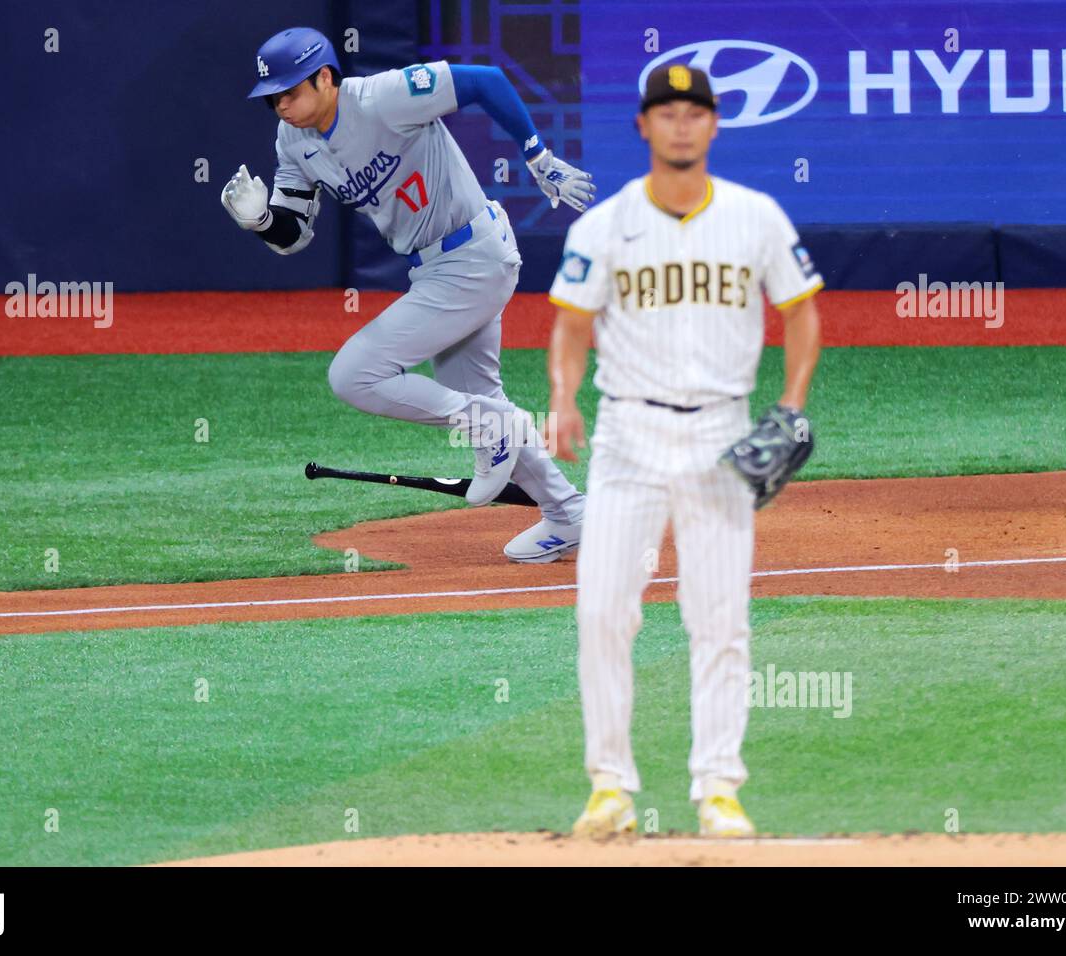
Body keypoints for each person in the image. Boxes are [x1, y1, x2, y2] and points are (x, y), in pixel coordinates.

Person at [545, 63, 823, 837]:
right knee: (603, 610)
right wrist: (564, 397)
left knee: (719, 616)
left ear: (713, 124)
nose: (679, 124)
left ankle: (719, 790)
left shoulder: (755, 216)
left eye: (693, 111)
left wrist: (792, 402)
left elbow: (802, 310)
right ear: (643, 126)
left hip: (720, 434)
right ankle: (609, 788)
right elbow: (569, 325)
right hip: (628, 434)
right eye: (665, 112)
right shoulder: (602, 226)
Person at [221, 26, 594, 562]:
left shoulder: (382, 97)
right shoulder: (293, 142)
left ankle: (493, 427)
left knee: (353, 375)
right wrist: (261, 220)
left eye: (290, 91)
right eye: (272, 98)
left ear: (325, 77)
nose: (280, 105)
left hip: (473, 257)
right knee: (480, 399)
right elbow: (294, 232)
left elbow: (485, 81)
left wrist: (537, 156)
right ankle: (567, 514)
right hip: (437, 270)